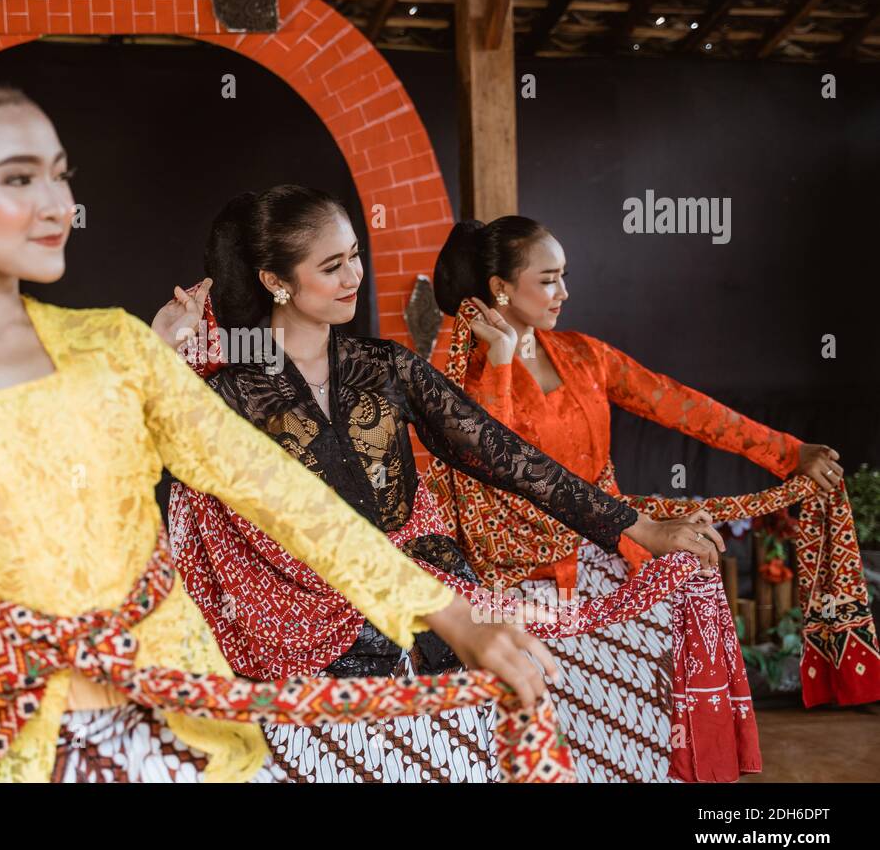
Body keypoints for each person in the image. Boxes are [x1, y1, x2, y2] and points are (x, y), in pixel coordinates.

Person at [0, 74, 566, 784]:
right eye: (18, 178)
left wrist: (446, 613)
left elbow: (276, 491)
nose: (55, 203)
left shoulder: (112, 347)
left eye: (60, 174)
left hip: (174, 737)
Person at [149, 186, 722, 782]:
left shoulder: (387, 366)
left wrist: (638, 527)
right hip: (308, 642)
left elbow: (505, 457)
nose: (354, 276)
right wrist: (161, 351)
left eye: (354, 255)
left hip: (436, 614)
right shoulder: (228, 394)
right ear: (276, 280)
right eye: (331, 265)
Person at [431, 215, 843, 781]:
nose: (565, 292)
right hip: (521, 577)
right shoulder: (456, 373)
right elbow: (488, 464)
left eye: (565, 276)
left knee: (648, 713)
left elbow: (679, 405)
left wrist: (788, 453)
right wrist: (501, 359)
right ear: (501, 287)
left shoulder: (583, 355)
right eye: (548, 279)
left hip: (609, 553)